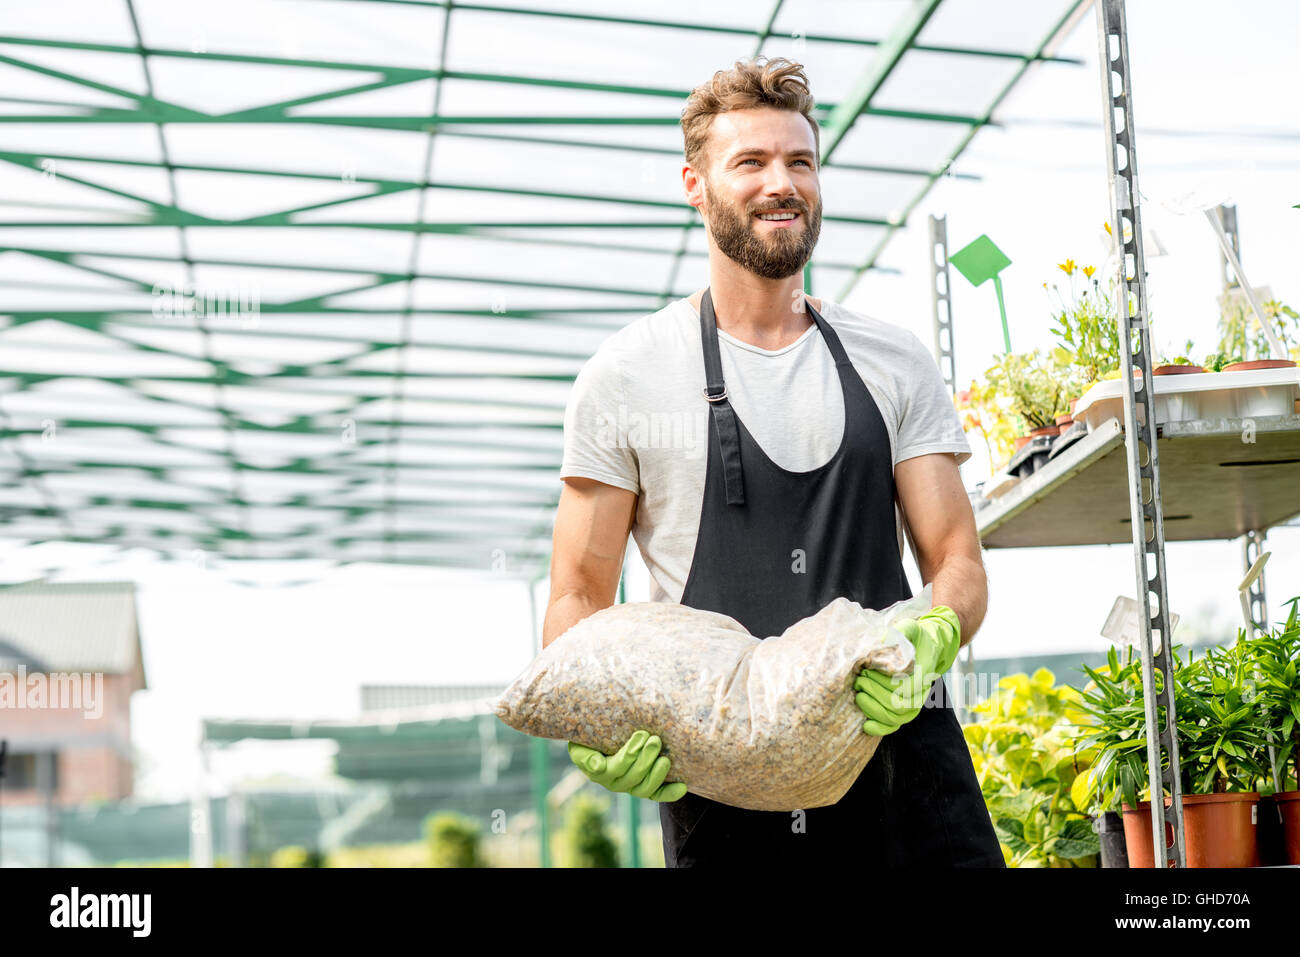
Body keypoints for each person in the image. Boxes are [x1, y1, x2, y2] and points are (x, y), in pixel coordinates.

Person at [543, 56, 1003, 868]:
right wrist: (597, 723)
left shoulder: (893, 361)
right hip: (726, 792)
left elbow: (956, 558)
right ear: (696, 184)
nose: (780, 183)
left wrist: (934, 633)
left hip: (904, 768)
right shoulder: (626, 376)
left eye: (800, 161)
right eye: (749, 162)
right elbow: (578, 591)